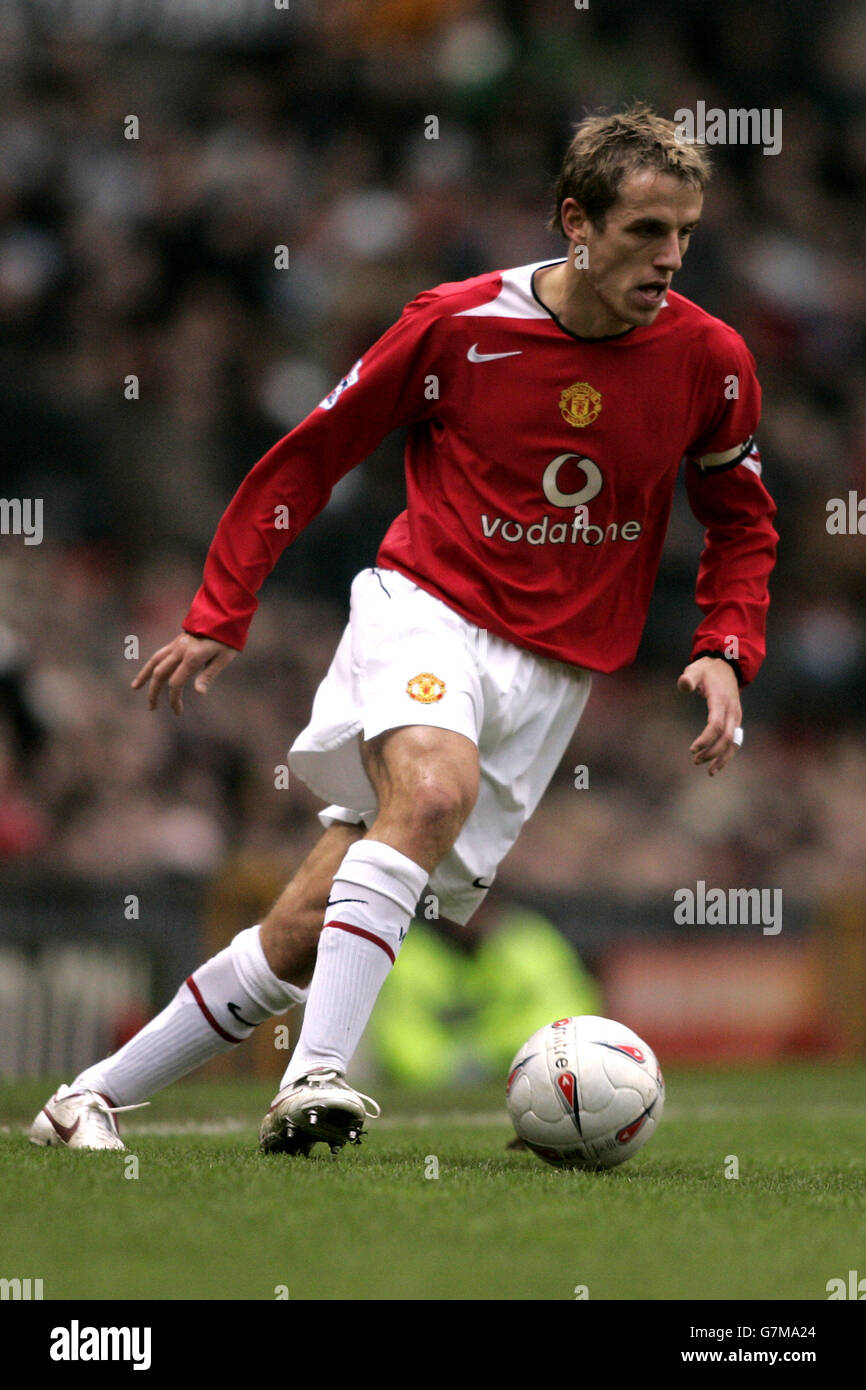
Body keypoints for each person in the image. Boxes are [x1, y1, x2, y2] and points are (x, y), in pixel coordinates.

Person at [31, 104, 777, 1157]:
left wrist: (722, 644)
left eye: (683, 234)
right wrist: (221, 607)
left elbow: (742, 522)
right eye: (643, 231)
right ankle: (315, 1079)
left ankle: (82, 1100)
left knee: (302, 925)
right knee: (429, 791)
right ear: (575, 219)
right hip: (427, 602)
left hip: (552, 672)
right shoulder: (456, 324)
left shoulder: (711, 359)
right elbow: (313, 452)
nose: (669, 257)